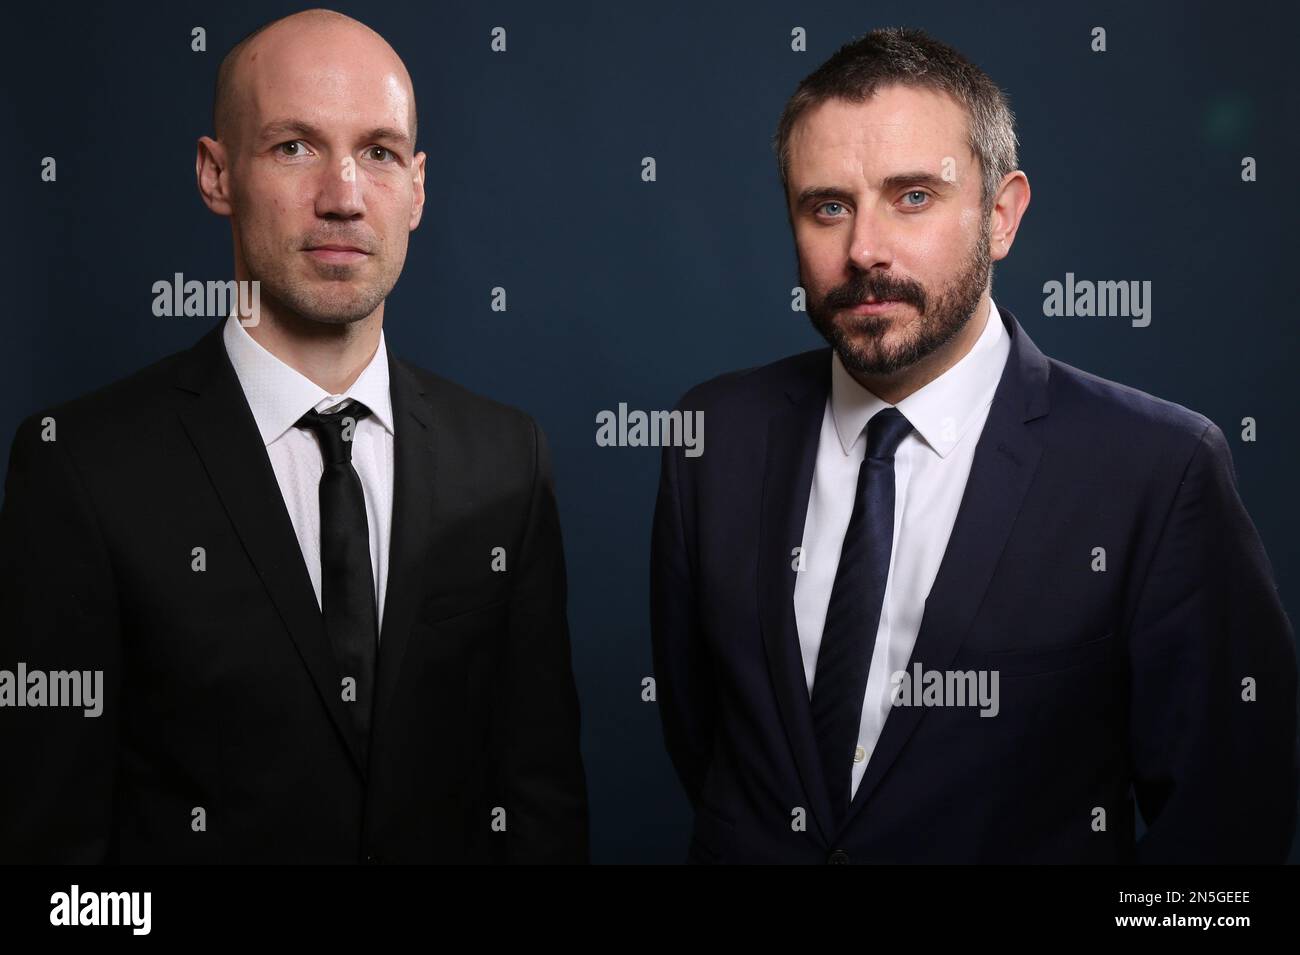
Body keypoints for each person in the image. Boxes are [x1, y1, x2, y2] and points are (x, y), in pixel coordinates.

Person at [650, 27, 1296, 863]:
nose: (865, 251)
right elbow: (707, 747)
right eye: (829, 206)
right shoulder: (712, 439)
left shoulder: (1155, 470)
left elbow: (1228, 825)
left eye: (913, 196)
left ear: (1001, 214)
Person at [0, 9, 588, 863]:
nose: (343, 196)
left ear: (417, 189)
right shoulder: (80, 467)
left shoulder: (507, 460)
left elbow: (540, 808)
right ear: (216, 173)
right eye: (294, 147)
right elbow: (52, 862)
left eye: (379, 152)